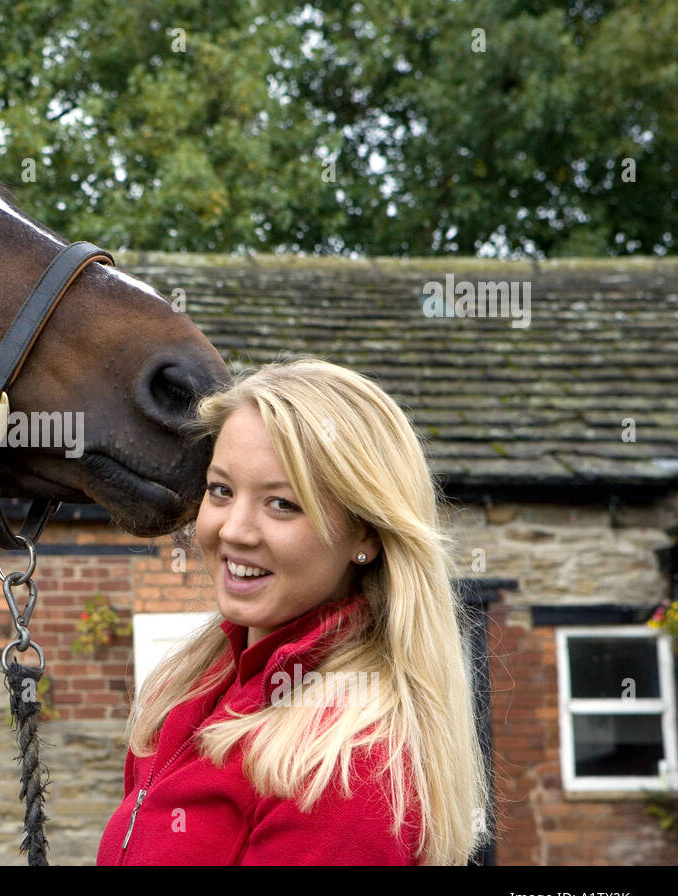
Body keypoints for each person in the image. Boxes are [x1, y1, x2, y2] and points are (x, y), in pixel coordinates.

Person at [96, 355, 492, 865]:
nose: (234, 529)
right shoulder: (186, 691)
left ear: (366, 533)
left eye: (281, 503)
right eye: (222, 491)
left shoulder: (343, 762)